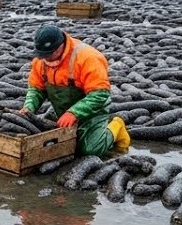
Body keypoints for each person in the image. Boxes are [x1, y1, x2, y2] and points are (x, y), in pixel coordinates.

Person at [20, 25, 129, 157]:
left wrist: (74, 113)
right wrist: (29, 108)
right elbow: (36, 89)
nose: (46, 58)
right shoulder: (41, 61)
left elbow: (100, 94)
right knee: (45, 134)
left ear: (60, 45)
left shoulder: (88, 58)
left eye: (50, 54)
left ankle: (116, 125)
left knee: (91, 150)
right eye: (43, 55)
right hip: (62, 110)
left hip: (92, 112)